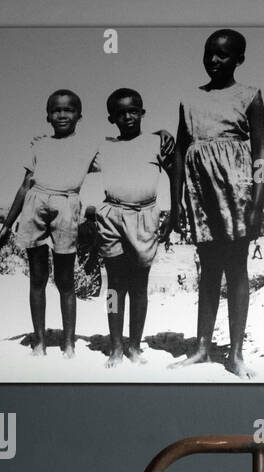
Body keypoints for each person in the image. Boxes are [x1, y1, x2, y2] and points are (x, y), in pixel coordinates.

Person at [169, 28, 264, 378]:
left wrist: (257, 201)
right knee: (208, 267)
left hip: (237, 192)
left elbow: (260, 154)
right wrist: (177, 200)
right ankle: (201, 348)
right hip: (200, 193)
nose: (214, 60)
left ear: (239, 59)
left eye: (223, 55)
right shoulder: (189, 100)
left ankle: (237, 353)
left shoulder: (250, 96)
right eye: (209, 53)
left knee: (236, 267)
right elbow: (180, 153)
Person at [0, 90, 100, 358]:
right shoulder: (39, 145)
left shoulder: (89, 147)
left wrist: (158, 132)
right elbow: (25, 185)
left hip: (67, 206)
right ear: (48, 116)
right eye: (56, 110)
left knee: (65, 280)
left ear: (79, 115)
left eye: (68, 110)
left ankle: (69, 343)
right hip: (35, 204)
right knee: (37, 277)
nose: (62, 115)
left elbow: (120, 150)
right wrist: (8, 224)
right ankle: (39, 341)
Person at [91, 88, 173, 367]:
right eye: (121, 112)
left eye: (133, 110)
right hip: (112, 216)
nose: (128, 116)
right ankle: (116, 345)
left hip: (145, 217)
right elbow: (72, 156)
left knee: (139, 284)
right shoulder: (104, 147)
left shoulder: (157, 143)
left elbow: (176, 173)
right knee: (115, 286)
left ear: (142, 112)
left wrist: (177, 209)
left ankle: (135, 345)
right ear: (111, 118)